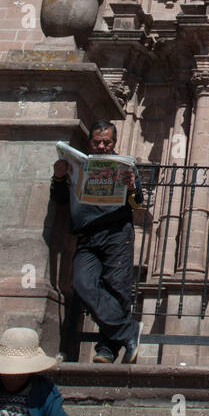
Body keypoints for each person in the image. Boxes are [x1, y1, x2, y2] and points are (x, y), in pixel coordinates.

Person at [51, 121, 145, 364]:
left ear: (114, 143)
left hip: (117, 234)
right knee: (82, 284)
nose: (102, 146)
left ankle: (106, 348)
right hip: (87, 236)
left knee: (117, 289)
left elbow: (137, 205)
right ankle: (128, 330)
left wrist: (132, 187)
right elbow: (60, 200)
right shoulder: (76, 166)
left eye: (107, 142)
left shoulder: (125, 167)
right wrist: (59, 178)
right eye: (97, 142)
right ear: (90, 142)